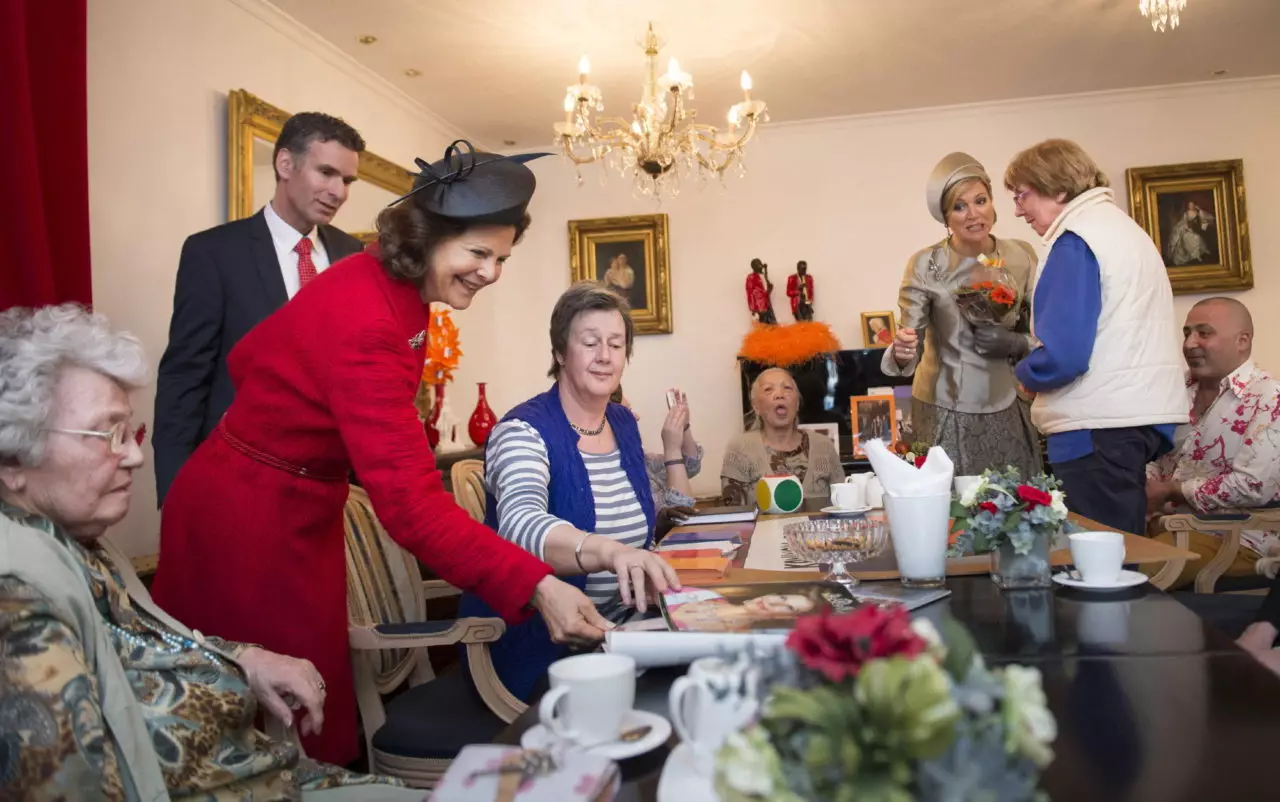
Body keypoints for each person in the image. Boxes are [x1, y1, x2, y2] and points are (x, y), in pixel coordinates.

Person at [151, 142, 611, 765]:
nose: (491, 272)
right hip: (246, 522)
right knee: (264, 725)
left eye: (502, 257)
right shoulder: (367, 315)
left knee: (318, 704)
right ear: (425, 236)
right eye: (479, 253)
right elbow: (413, 508)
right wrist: (537, 585)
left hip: (304, 508)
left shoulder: (395, 289)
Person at [0, 304, 424, 800]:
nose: (135, 455)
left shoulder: (79, 543)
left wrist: (244, 657)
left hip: (270, 777)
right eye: (108, 434)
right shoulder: (19, 595)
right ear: (13, 460)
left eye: (130, 433)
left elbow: (144, 646)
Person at [462, 282, 682, 699]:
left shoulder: (623, 423)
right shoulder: (522, 431)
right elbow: (520, 525)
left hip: (622, 633)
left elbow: (643, 534)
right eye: (590, 342)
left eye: (616, 344)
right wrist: (611, 552)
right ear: (561, 352)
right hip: (543, 647)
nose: (604, 355)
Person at [153, 112, 368, 504]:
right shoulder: (213, 253)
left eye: (347, 180)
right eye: (326, 173)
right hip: (237, 479)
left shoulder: (354, 256)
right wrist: (174, 492)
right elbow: (183, 379)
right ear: (285, 164)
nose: (339, 192)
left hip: (333, 483)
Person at [1005, 138, 1187, 535]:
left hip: (1096, 426)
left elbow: (1065, 355)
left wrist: (1026, 374)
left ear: (1058, 189)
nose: (1018, 210)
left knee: (1100, 562)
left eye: (1022, 196)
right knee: (1121, 551)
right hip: (1129, 420)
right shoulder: (1124, 231)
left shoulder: (1075, 240)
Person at [882, 152, 1042, 477]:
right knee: (951, 512)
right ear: (946, 217)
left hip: (1008, 405)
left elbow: (1040, 337)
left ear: (993, 202)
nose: (973, 214)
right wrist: (901, 351)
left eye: (980, 201)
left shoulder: (1021, 255)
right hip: (944, 407)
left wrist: (1013, 342)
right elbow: (908, 347)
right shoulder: (926, 264)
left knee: (1014, 509)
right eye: (959, 206)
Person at [1143, 298, 1280, 590]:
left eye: (1204, 333)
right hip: (1161, 523)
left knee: (1131, 573)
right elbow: (1152, 455)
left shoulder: (1269, 398)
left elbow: (1253, 485)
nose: (1190, 343)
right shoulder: (1177, 388)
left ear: (1242, 341)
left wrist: (1172, 490)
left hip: (1235, 537)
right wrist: (1148, 488)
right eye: (1187, 333)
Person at [721, 367, 845, 505]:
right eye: (768, 389)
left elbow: (842, 502)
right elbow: (733, 511)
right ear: (756, 407)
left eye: (787, 388)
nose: (779, 394)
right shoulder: (740, 448)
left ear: (797, 403)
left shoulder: (824, 445)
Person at [612, 386, 705, 514]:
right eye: (627, 411)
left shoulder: (644, 461)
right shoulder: (617, 475)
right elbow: (680, 516)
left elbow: (690, 467)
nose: (637, 417)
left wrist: (684, 426)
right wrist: (672, 450)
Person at [1165, 200, 1216, 266]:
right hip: (1186, 229)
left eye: (1191, 205)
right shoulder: (1186, 213)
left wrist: (1199, 211)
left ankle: (1197, 255)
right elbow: (1183, 221)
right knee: (1183, 237)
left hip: (1195, 229)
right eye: (1189, 205)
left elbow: (1206, 219)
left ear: (1194, 205)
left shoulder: (1198, 212)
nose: (1190, 206)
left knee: (1197, 238)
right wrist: (1185, 227)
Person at [745, 257, 777, 324]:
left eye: (760, 264)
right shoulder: (751, 277)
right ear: (754, 267)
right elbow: (750, 294)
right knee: (764, 326)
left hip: (767, 304)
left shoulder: (763, 275)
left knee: (773, 324)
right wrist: (753, 309)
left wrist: (769, 289)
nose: (760, 266)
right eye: (757, 265)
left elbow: (766, 289)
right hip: (760, 307)